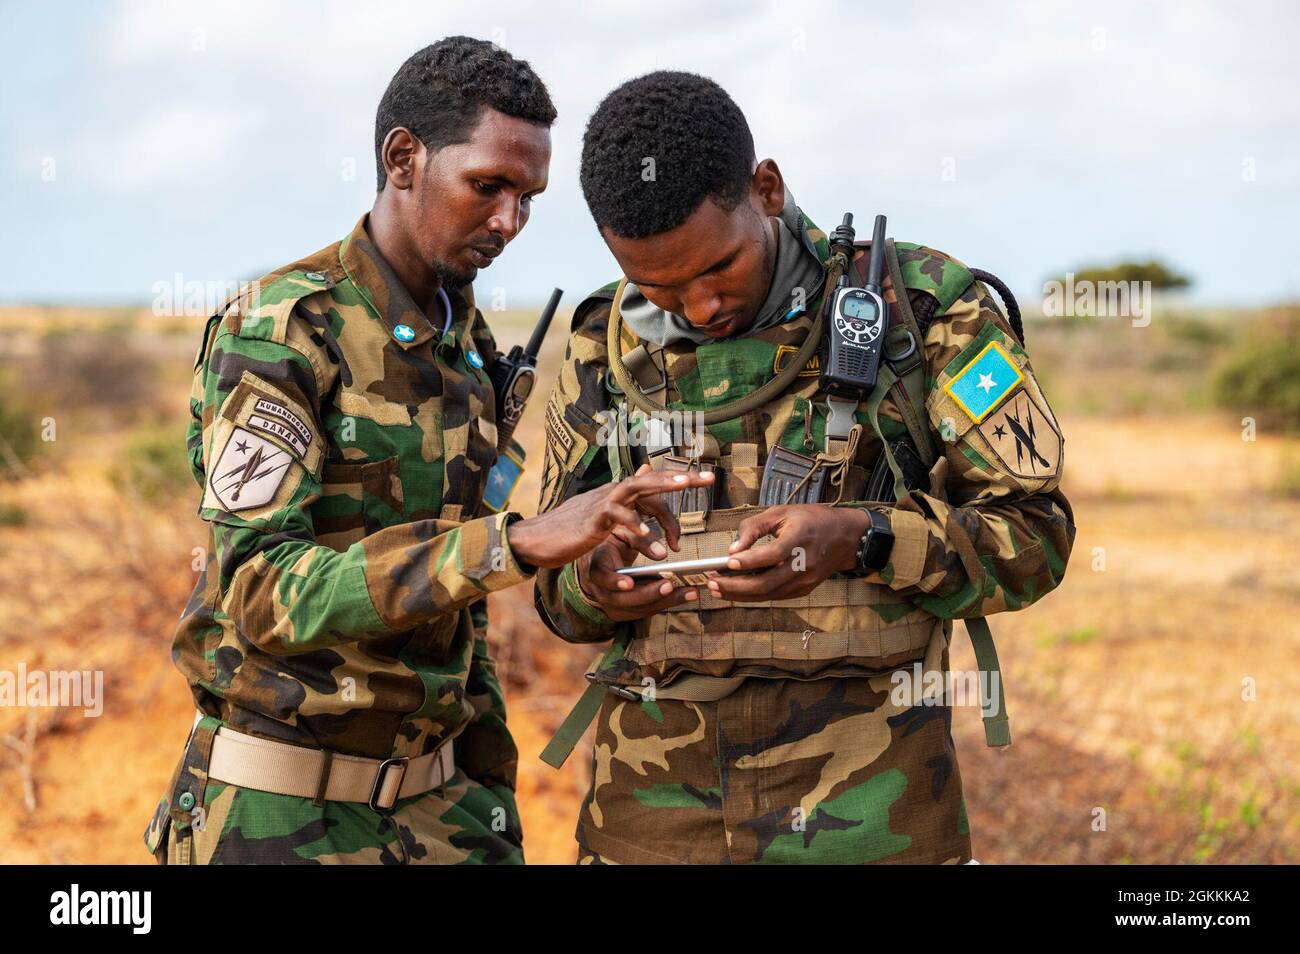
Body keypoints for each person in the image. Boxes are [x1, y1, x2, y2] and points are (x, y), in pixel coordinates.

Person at [143, 38, 711, 866]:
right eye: (488, 186)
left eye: (528, 197)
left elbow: (455, 622)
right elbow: (262, 592)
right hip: (284, 816)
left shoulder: (468, 345)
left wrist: (487, 802)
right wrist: (514, 542)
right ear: (403, 159)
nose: (510, 221)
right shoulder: (286, 330)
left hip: (442, 810)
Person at [534, 71, 1075, 864]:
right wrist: (595, 582)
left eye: (718, 267)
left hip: (872, 812)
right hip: (650, 820)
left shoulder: (918, 311)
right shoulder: (606, 343)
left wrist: (864, 538)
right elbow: (552, 582)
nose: (699, 307)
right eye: (659, 285)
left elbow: (1036, 537)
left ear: (768, 188)